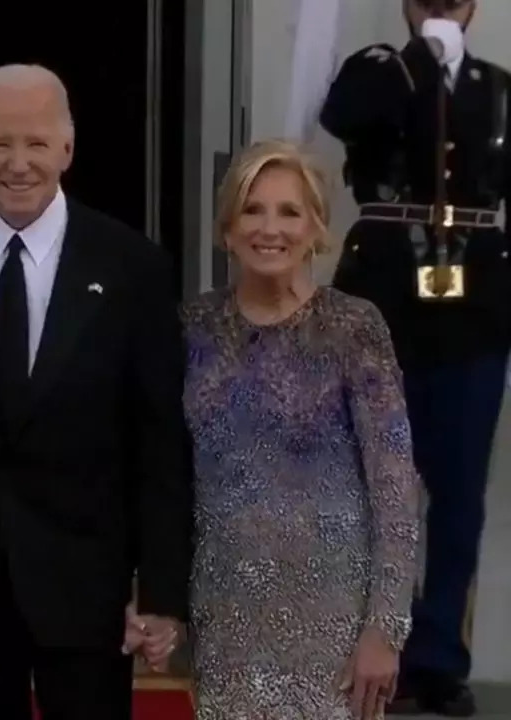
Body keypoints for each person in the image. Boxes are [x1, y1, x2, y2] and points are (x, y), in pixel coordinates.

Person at [0, 64, 193, 720]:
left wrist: (162, 590)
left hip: (88, 586)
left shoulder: (132, 265)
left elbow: (158, 440)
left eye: (36, 143)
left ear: (68, 147)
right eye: (0, 144)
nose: (18, 163)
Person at [177, 139, 421, 720]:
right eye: (253, 209)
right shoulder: (191, 329)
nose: (270, 228)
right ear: (228, 227)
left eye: (290, 212)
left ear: (317, 228)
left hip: (334, 630)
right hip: (225, 622)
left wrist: (385, 631)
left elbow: (394, 488)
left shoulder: (354, 328)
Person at [319, 1, 507, 714]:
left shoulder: (498, 86)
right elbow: (341, 116)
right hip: (382, 304)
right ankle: (373, 651)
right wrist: (426, 55)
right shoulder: (379, 67)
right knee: (368, 487)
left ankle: (437, 659)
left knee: (458, 497)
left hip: (477, 307)